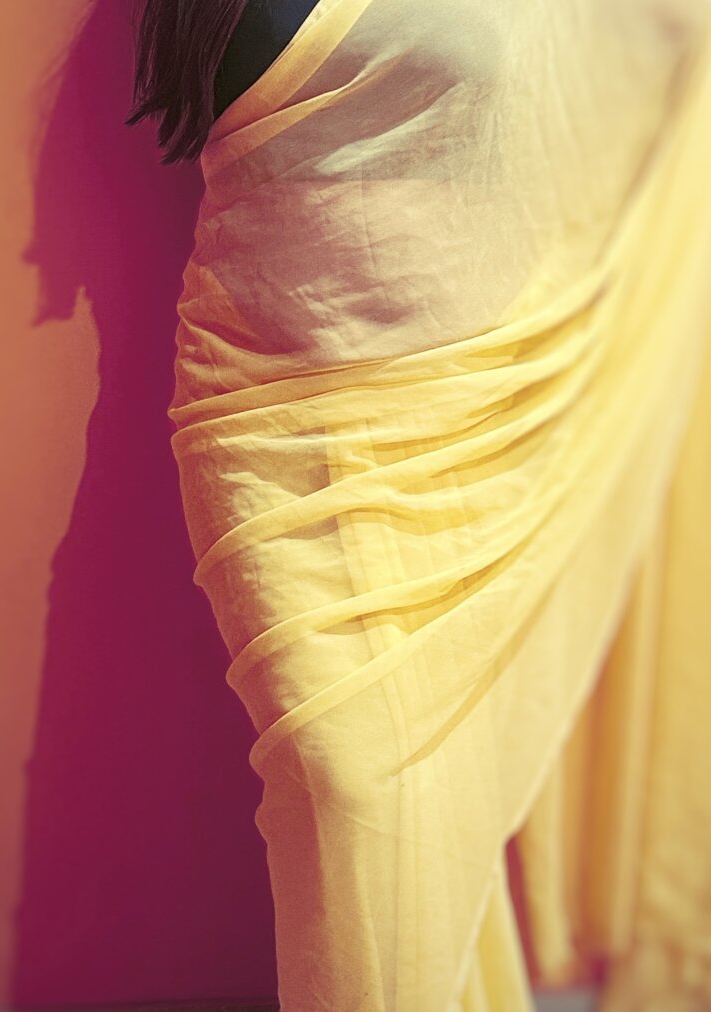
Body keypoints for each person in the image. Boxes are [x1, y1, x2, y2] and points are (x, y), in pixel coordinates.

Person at [126, 2, 711, 1009]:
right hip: (269, 416)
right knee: (350, 780)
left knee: (441, 798)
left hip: (475, 413)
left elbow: (609, 73)